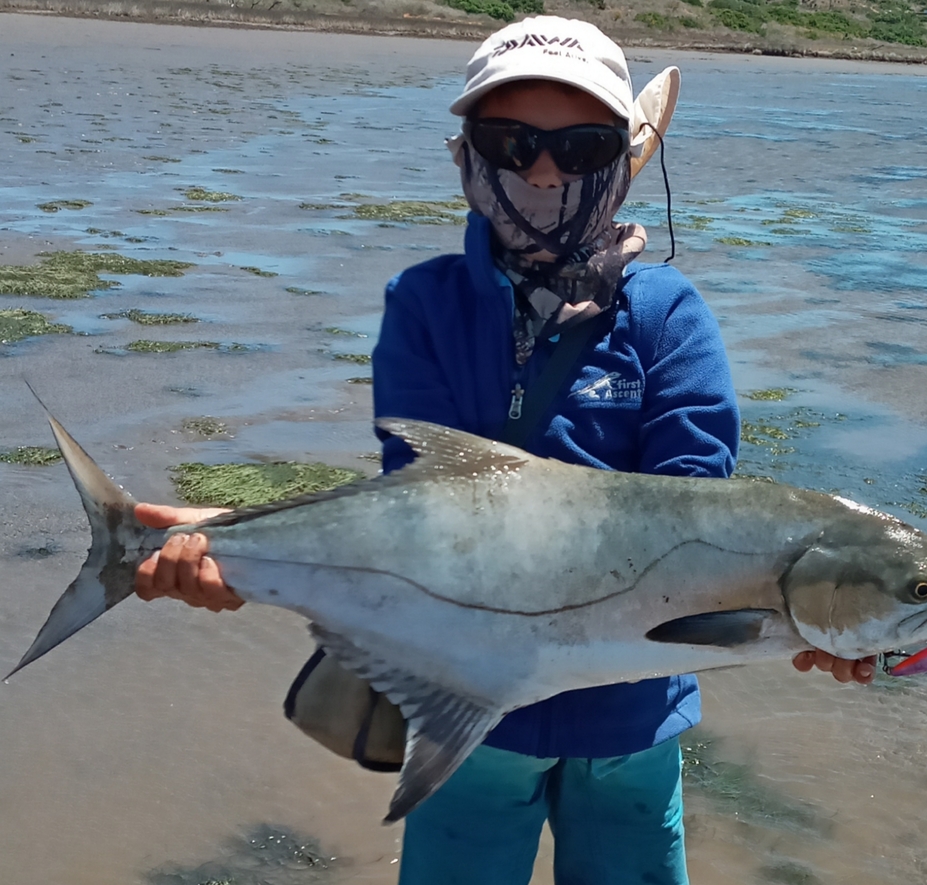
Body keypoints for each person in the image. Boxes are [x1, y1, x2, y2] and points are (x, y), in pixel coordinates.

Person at [135, 15, 876, 885]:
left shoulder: (667, 318)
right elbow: (423, 513)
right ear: (465, 155)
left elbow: (695, 519)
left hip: (631, 723)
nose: (545, 171)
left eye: (582, 147)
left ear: (623, 161)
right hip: (468, 708)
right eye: (510, 142)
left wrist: (822, 619)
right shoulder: (424, 302)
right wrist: (243, 544)